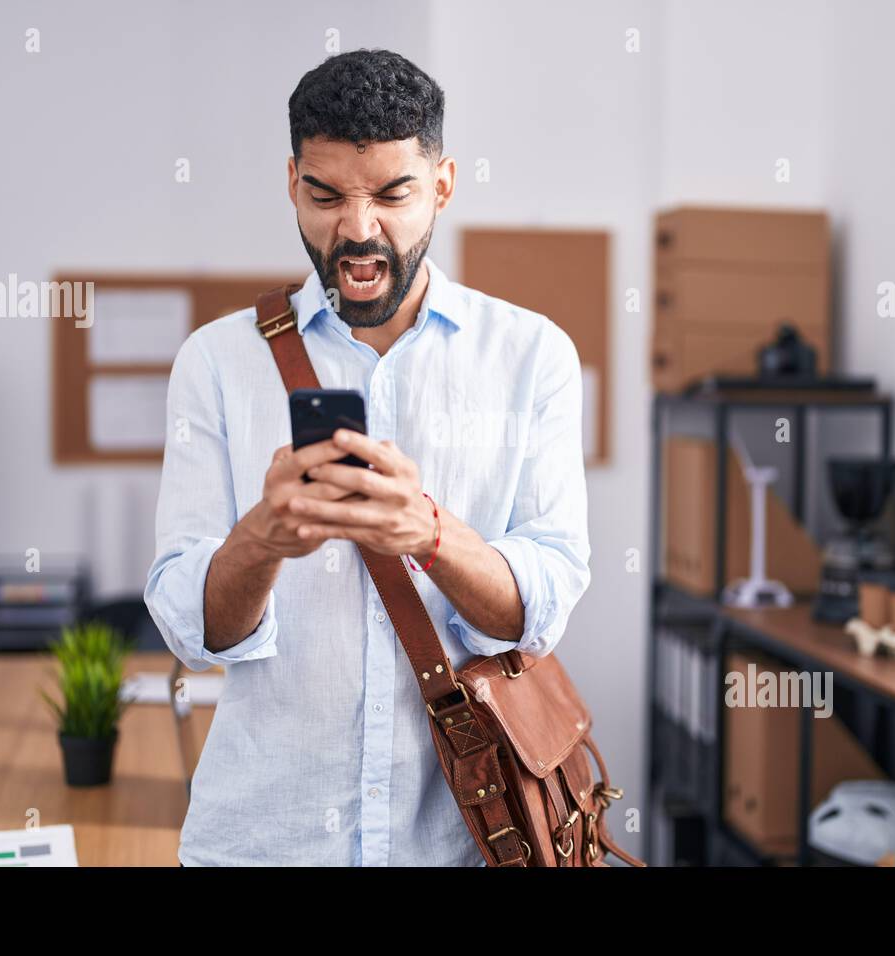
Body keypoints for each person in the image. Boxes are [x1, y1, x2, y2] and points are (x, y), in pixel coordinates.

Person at [144, 48, 590, 866]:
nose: (357, 229)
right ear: (291, 183)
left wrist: (427, 532)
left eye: (393, 194)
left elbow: (542, 607)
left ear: (443, 185)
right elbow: (189, 626)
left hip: (462, 844)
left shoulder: (533, 357)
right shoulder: (215, 362)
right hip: (262, 842)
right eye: (325, 195)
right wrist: (263, 539)